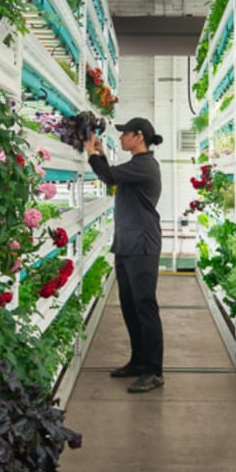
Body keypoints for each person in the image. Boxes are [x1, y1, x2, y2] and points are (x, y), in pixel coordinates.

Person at [86, 116, 166, 394]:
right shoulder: (137, 165)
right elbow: (114, 175)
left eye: (124, 134)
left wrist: (91, 153)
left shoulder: (145, 166)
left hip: (142, 245)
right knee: (130, 306)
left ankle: (154, 371)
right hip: (127, 244)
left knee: (145, 306)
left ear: (139, 136)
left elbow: (109, 177)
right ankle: (138, 361)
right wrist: (101, 155)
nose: (120, 138)